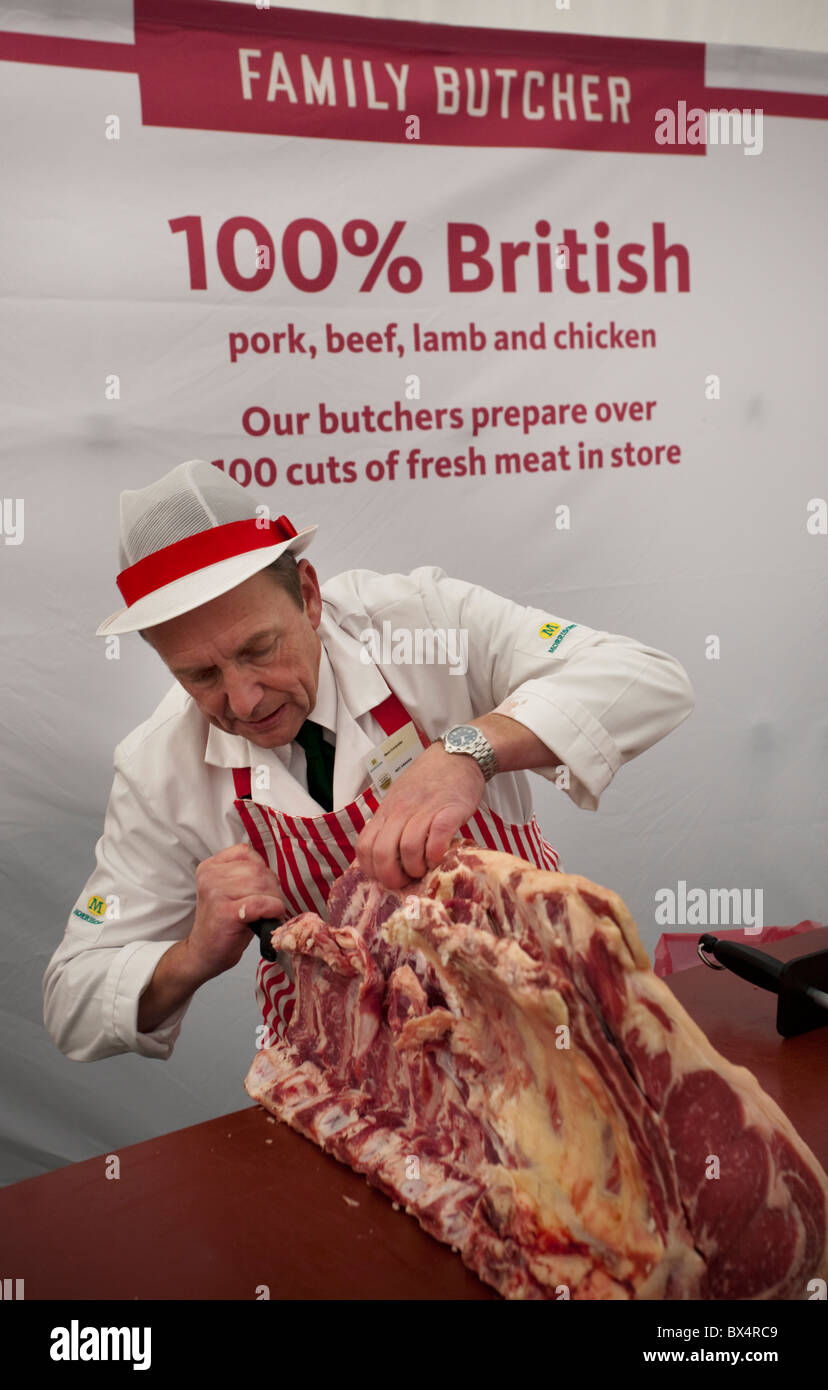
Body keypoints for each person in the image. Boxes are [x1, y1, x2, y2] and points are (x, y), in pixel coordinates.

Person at [43, 459, 694, 1062]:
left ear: (309, 592)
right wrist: (190, 956)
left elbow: (648, 679)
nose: (243, 698)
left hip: (543, 1031)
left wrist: (468, 751)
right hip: (355, 1089)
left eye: (260, 649)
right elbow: (72, 1000)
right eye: (199, 674)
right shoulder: (159, 767)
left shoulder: (420, 623)